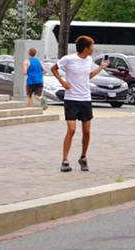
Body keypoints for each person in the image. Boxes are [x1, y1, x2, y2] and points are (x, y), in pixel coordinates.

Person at [51, 35, 108, 173]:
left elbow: (87, 76)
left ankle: (83, 157)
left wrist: (101, 67)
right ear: (85, 48)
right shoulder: (68, 59)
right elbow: (54, 69)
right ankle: (65, 160)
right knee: (71, 129)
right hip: (71, 99)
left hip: (85, 99)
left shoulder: (88, 60)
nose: (93, 49)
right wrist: (63, 82)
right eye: (91, 46)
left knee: (87, 131)